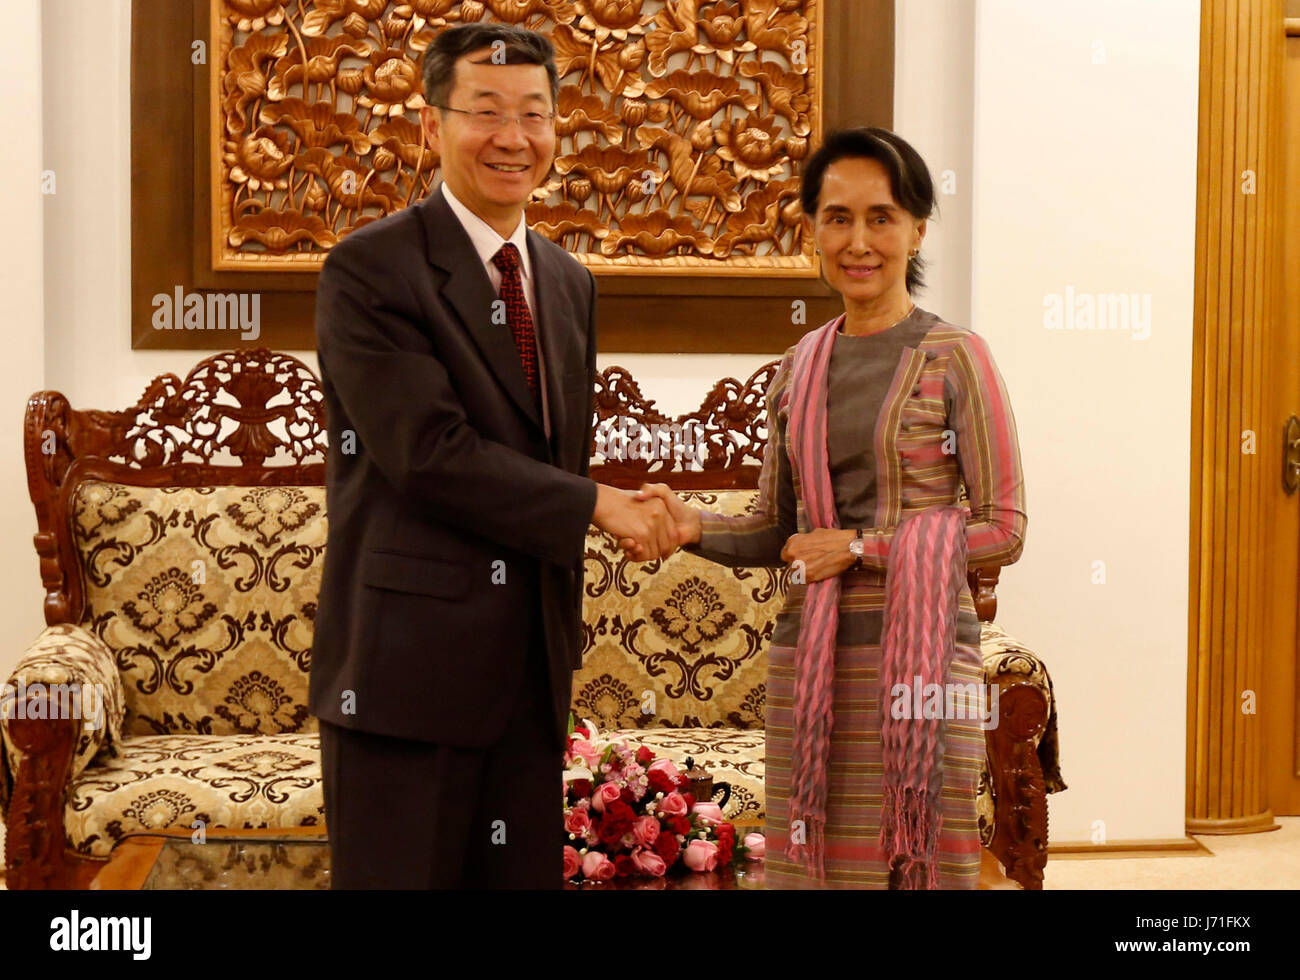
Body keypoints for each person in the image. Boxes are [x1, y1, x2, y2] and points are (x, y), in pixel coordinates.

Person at [309, 23, 680, 889]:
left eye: (535, 114)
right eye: (485, 111)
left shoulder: (565, 280)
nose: (513, 137)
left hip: (530, 672)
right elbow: (428, 453)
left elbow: (542, 447)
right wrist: (598, 504)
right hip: (405, 677)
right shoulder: (369, 271)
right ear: (432, 125)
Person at [636, 127, 1027, 889]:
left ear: (916, 228)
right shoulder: (799, 365)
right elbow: (778, 531)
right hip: (813, 660)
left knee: (914, 864)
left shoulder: (955, 358)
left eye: (881, 217)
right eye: (837, 216)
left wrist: (859, 548)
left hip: (922, 662)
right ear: (811, 227)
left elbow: (1004, 529)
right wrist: (692, 526)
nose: (859, 240)